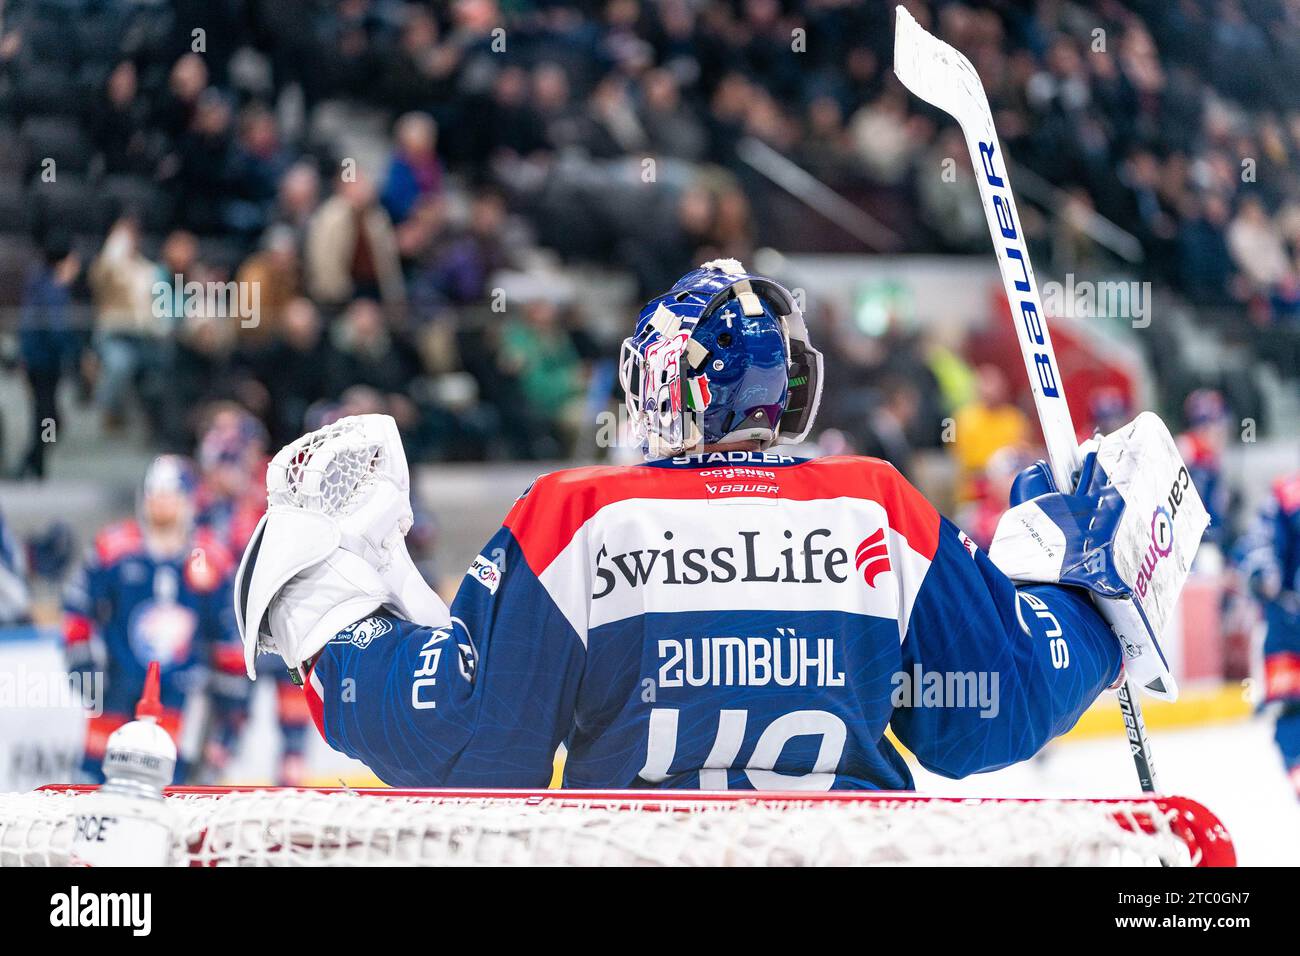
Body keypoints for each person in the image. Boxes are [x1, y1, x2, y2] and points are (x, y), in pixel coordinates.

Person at [234, 261, 1202, 790]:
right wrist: (1085, 592)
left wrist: (333, 630)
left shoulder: (578, 517)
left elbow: (467, 745)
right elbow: (989, 710)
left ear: (656, 390)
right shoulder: (876, 503)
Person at [62, 456, 245, 783]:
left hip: (178, 694)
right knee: (93, 780)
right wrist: (82, 661)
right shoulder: (114, 547)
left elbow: (229, 632)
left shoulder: (211, 557)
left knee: (168, 789)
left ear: (187, 500)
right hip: (115, 687)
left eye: (169, 495)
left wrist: (230, 698)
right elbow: (77, 605)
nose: (159, 504)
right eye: (153, 494)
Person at [1237, 470, 1300, 799]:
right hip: (1287, 631)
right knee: (1289, 707)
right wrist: (1264, 574)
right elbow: (1258, 543)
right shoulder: (1286, 494)